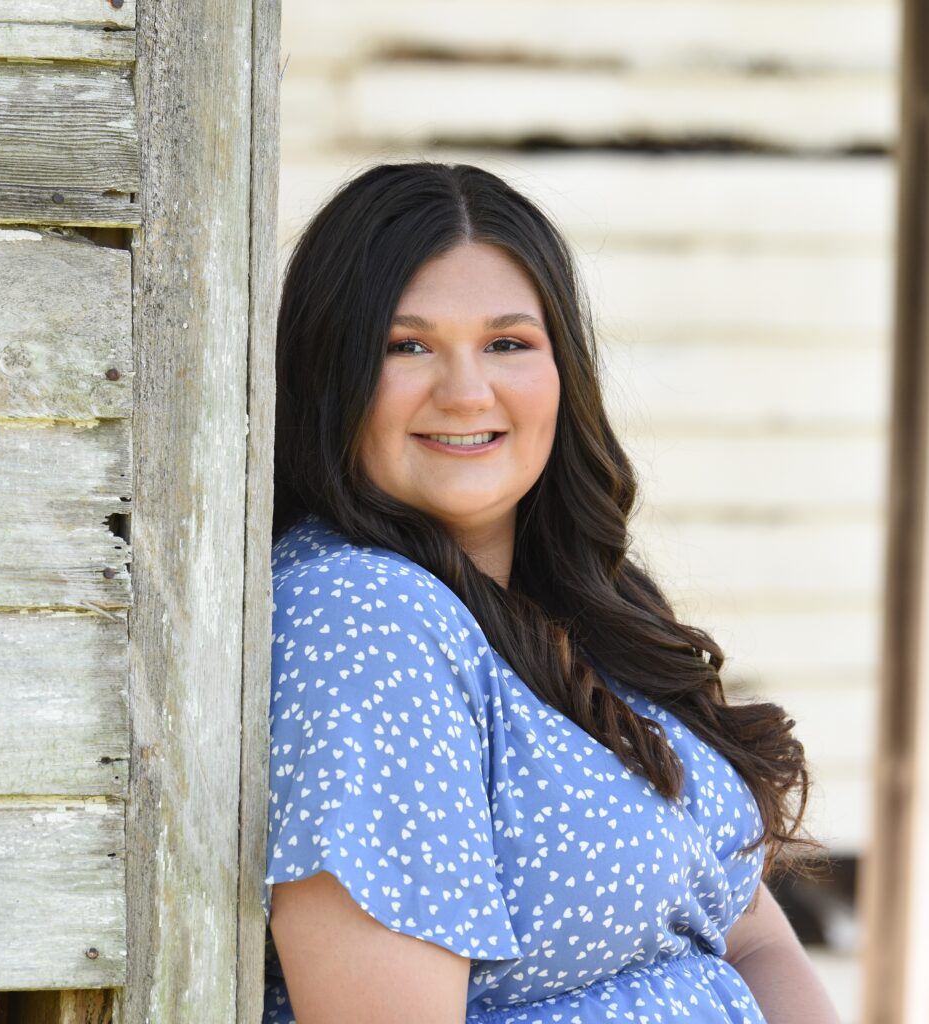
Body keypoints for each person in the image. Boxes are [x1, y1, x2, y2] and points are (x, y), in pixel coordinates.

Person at [262, 162, 838, 1024]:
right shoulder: (363, 620)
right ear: (329, 374)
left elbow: (752, 938)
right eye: (406, 345)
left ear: (563, 369)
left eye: (507, 343)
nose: (465, 392)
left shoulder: (583, 614)